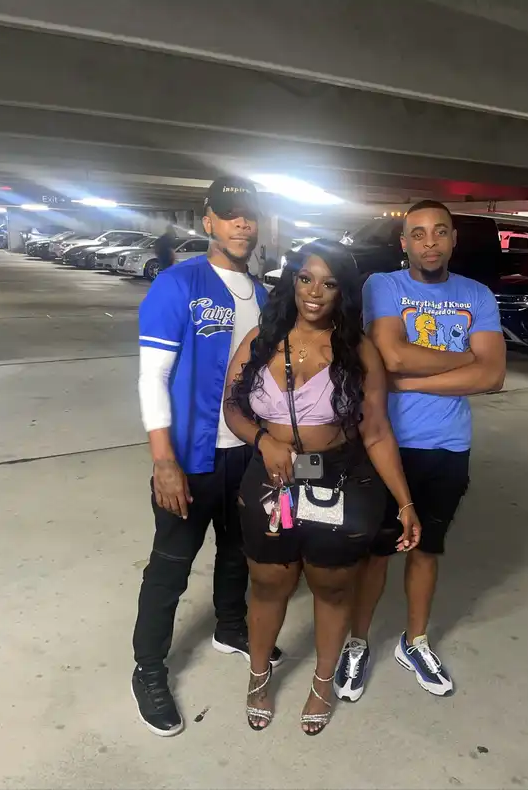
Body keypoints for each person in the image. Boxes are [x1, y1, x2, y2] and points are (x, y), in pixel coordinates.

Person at [223, 240, 421, 735]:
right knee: (268, 583)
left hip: (340, 480)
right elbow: (231, 406)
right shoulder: (261, 339)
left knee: (332, 588)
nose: (315, 292)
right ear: (292, 282)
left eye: (329, 283)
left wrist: (405, 503)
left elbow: (377, 433)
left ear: (343, 292)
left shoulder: (359, 351)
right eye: (306, 279)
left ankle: (322, 683)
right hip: (271, 480)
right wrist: (263, 440)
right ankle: (258, 676)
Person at [333, 200, 506, 702]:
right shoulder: (383, 286)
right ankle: (357, 643)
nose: (430, 242)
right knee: (376, 552)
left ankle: (415, 641)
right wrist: (466, 359)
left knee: (428, 549)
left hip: (449, 446)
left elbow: (493, 374)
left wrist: (408, 380)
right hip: (388, 443)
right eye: (419, 234)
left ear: (454, 239)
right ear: (404, 242)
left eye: (440, 232)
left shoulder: (476, 294)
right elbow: (390, 354)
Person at [131, 177, 282, 737]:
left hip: (245, 454)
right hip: (190, 457)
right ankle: (148, 668)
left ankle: (230, 626)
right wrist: (163, 460)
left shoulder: (264, 296)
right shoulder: (179, 284)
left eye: (249, 214)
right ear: (209, 221)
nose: (242, 223)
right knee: (170, 566)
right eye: (230, 213)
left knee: (238, 549)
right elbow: (153, 376)